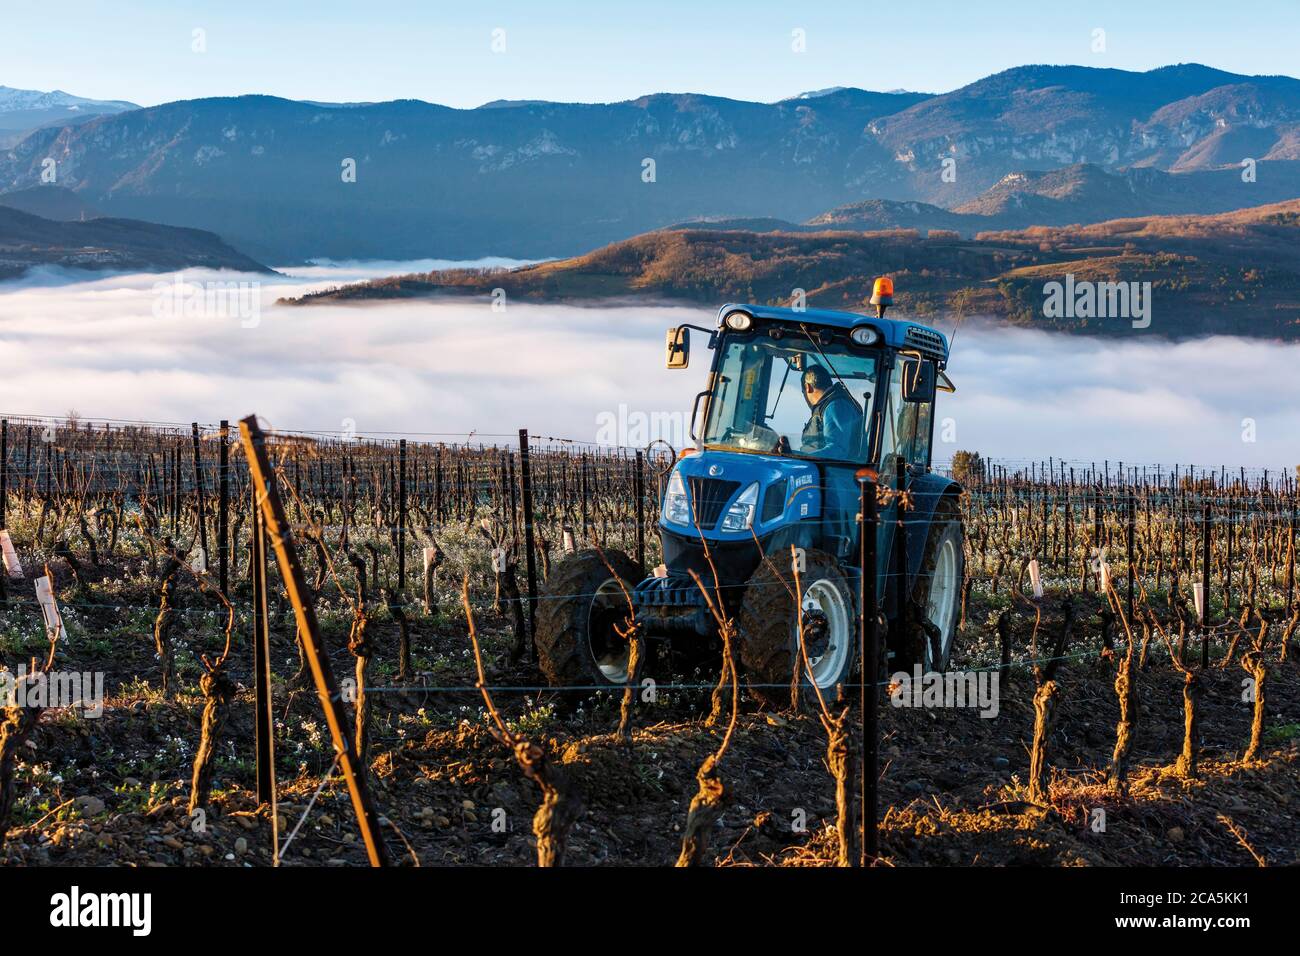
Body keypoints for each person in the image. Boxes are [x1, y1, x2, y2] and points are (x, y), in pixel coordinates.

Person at [799, 364, 862, 460]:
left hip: (832, 473)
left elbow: (838, 450)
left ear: (807, 387)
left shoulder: (836, 406)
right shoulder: (828, 407)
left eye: (803, 392)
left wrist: (797, 456)